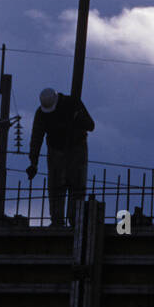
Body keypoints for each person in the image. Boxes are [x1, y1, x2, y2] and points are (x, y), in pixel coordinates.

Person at [26, 87, 95, 226]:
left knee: (77, 187)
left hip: (77, 149)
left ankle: (76, 220)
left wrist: (78, 118)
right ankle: (57, 221)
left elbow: (90, 125)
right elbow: (36, 137)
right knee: (56, 187)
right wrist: (34, 162)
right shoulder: (41, 114)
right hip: (56, 151)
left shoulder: (72, 104)